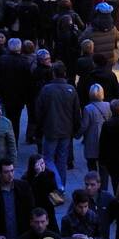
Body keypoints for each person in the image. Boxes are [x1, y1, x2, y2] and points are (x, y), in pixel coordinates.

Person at [33, 63, 80, 194]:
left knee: (48, 159)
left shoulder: (47, 89)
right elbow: (76, 112)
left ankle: (58, 185)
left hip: (50, 130)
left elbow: (39, 110)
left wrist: (39, 127)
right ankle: (61, 187)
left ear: (53, 73)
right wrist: (76, 129)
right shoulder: (71, 89)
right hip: (66, 130)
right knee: (62, 160)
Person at [79, 83, 113, 181]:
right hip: (106, 140)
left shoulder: (88, 108)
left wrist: (77, 135)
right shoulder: (108, 105)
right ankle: (103, 188)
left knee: (92, 166)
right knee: (104, 168)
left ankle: (93, 186)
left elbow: (84, 125)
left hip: (91, 141)